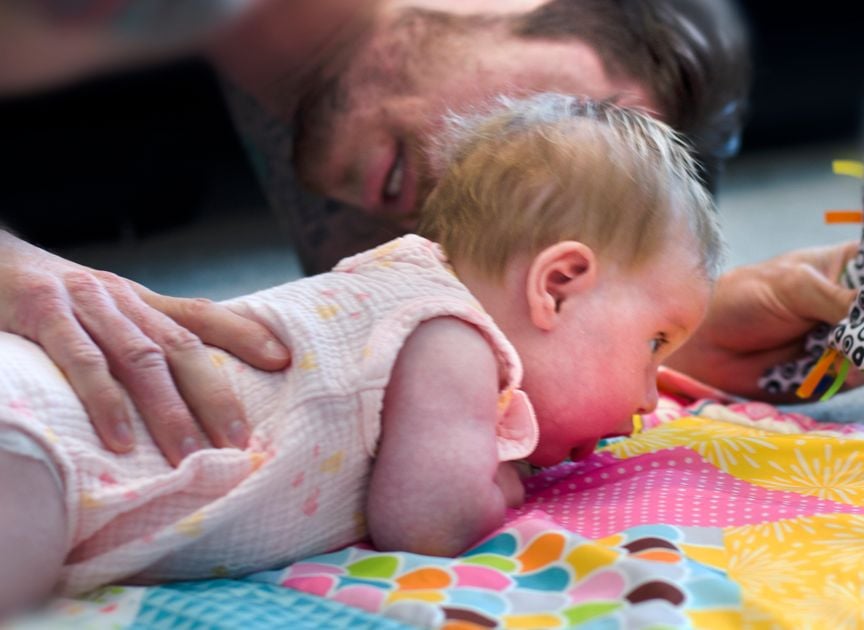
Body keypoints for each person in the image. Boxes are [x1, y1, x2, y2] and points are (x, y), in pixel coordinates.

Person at [0, 0, 864, 467]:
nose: (468, 188)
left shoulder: (350, 116)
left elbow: (404, 329)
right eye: (546, 120)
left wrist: (651, 332)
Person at [0, 95, 717, 616]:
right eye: (654, 344)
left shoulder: (402, 294)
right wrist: (498, 484)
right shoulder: (451, 334)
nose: (652, 397)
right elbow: (426, 521)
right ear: (557, 287)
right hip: (46, 439)